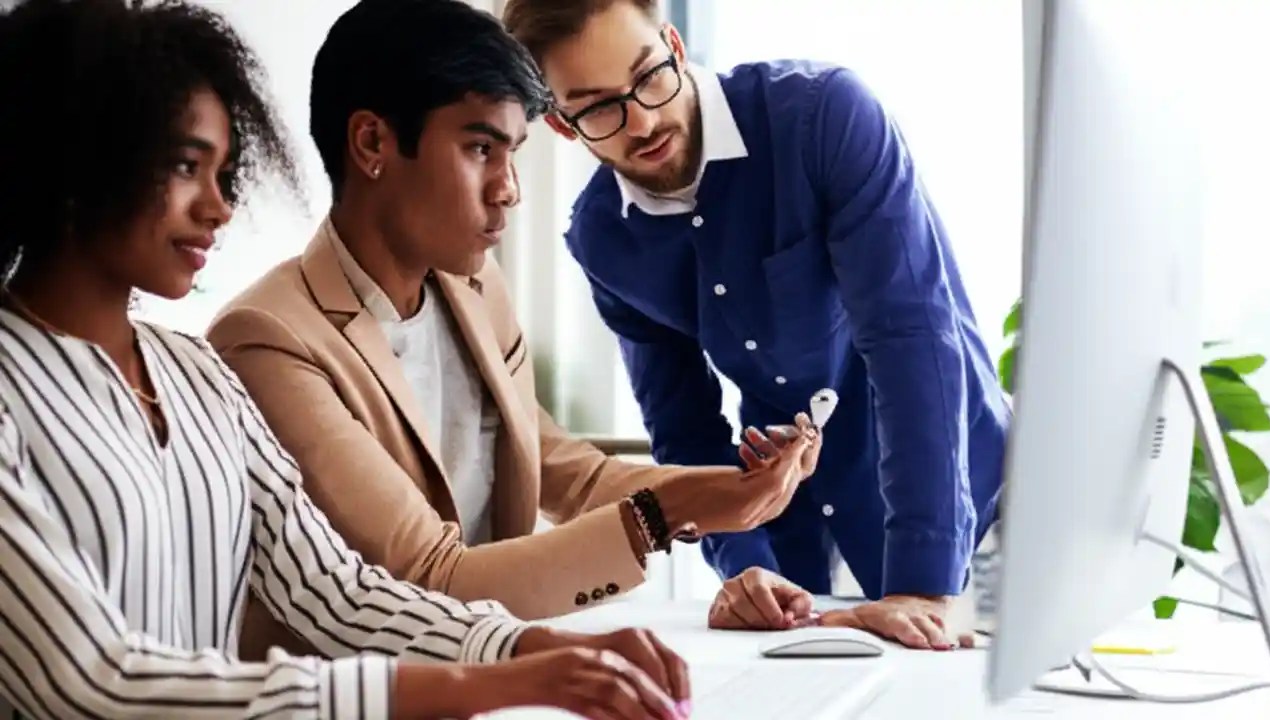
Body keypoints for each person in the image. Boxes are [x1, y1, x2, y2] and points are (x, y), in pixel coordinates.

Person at [0, 2, 694, 718]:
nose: (219, 208)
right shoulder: (19, 392)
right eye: (185, 167)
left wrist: (528, 647)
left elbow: (337, 590)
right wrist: (494, 680)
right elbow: (89, 681)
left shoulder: (195, 374)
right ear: (76, 157)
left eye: (225, 174)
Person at [207, 0, 818, 663]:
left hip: (491, 681)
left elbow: (575, 479)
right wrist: (665, 513)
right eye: (479, 149)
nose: (509, 191)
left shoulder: (472, 290)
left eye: (513, 153)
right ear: (373, 143)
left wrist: (728, 489)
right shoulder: (265, 341)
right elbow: (427, 579)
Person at [502, 0, 1010, 650]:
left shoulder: (824, 117)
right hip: (798, 560)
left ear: (675, 46)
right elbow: (683, 427)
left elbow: (911, 337)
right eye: (601, 107)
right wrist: (747, 569)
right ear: (563, 126)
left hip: (959, 520)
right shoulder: (604, 240)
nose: (645, 118)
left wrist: (920, 581)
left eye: (650, 75)